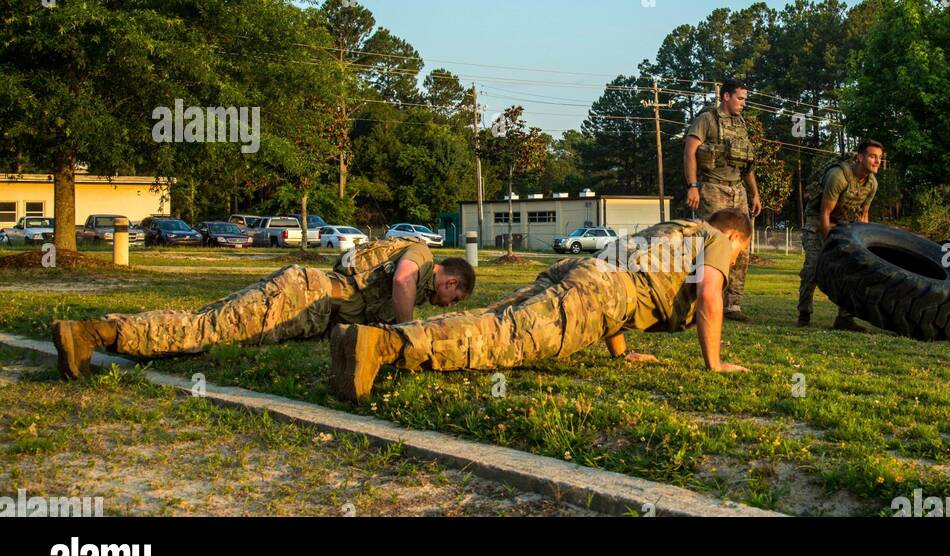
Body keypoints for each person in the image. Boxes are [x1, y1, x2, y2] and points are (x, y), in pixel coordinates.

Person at [328, 210, 755, 402]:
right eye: (740, 255)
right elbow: (710, 297)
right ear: (734, 238)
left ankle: (363, 339)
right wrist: (713, 363)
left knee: (491, 318)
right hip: (603, 291)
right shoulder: (715, 239)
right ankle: (379, 347)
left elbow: (627, 275)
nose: (734, 261)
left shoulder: (673, 228)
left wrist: (621, 351)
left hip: (583, 271)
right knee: (504, 336)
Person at [53, 238, 474, 380]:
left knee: (206, 330)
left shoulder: (413, 282)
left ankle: (99, 334)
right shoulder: (419, 255)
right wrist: (407, 332)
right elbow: (402, 280)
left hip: (302, 303)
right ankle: (93, 334)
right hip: (301, 298)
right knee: (205, 330)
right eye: (450, 299)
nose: (442, 304)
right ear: (450, 280)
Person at [683, 78, 761, 322]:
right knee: (711, 245)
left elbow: (746, 164)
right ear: (726, 96)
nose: (743, 103)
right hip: (712, 188)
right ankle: (702, 299)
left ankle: (733, 305)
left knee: (742, 247)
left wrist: (754, 193)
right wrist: (693, 186)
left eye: (745, 99)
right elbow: (690, 151)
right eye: (740, 98)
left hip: (737, 190)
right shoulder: (707, 120)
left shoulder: (741, 125)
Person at [796, 140, 882, 332]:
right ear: (860, 157)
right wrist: (829, 245)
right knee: (814, 267)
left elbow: (864, 214)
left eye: (879, 158)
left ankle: (844, 319)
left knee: (851, 270)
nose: (877, 162)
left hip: (844, 224)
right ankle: (804, 314)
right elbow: (824, 213)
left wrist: (862, 243)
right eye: (872, 156)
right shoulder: (839, 176)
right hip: (818, 222)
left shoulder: (872, 184)